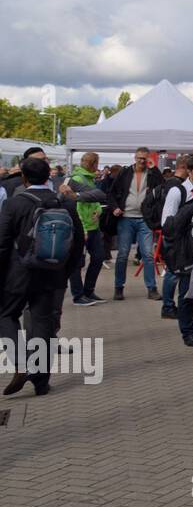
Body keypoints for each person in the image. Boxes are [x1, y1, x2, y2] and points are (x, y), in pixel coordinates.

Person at [0, 157, 85, 397]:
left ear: (24, 178)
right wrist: (65, 271)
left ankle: (21, 362)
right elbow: (78, 242)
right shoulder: (63, 203)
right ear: (49, 176)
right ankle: (40, 381)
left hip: (19, 273)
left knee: (6, 315)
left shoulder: (15, 204)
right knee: (43, 325)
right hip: (51, 274)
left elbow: (3, 243)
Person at [161, 155, 193, 347]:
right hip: (185, 250)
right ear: (189, 172)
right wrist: (192, 207)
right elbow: (168, 225)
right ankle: (189, 333)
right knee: (186, 294)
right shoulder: (178, 192)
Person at [107, 147, 162, 301]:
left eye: (144, 158)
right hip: (126, 217)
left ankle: (152, 288)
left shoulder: (151, 174)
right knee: (123, 254)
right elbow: (111, 193)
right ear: (134, 157)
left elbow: (163, 187)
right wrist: (115, 207)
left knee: (148, 255)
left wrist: (155, 169)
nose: (141, 161)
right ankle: (119, 287)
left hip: (145, 218)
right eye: (139, 158)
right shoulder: (125, 173)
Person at [67, 152, 109, 307]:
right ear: (94, 164)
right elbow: (76, 204)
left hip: (93, 226)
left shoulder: (90, 179)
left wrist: (99, 210)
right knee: (77, 262)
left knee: (98, 257)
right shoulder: (78, 179)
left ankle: (88, 290)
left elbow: (94, 199)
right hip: (82, 227)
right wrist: (82, 228)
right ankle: (78, 295)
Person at [158, 159, 191, 320]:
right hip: (175, 237)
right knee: (173, 272)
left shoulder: (175, 184)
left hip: (180, 237)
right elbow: (168, 217)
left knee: (176, 273)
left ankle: (170, 305)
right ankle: (168, 306)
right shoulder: (177, 188)